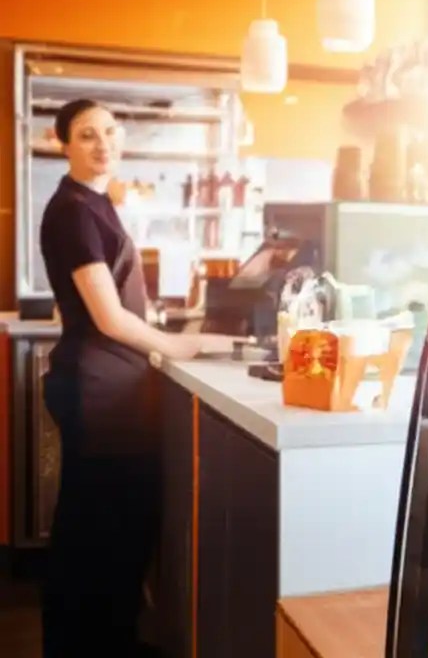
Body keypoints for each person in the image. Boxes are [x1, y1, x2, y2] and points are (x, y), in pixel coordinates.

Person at [38, 99, 235, 657]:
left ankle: (105, 640)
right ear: (63, 144)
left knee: (109, 527)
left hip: (108, 386)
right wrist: (176, 344)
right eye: (85, 135)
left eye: (109, 132)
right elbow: (106, 316)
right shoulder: (76, 211)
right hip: (101, 394)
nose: (102, 144)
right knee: (101, 531)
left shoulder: (93, 203)